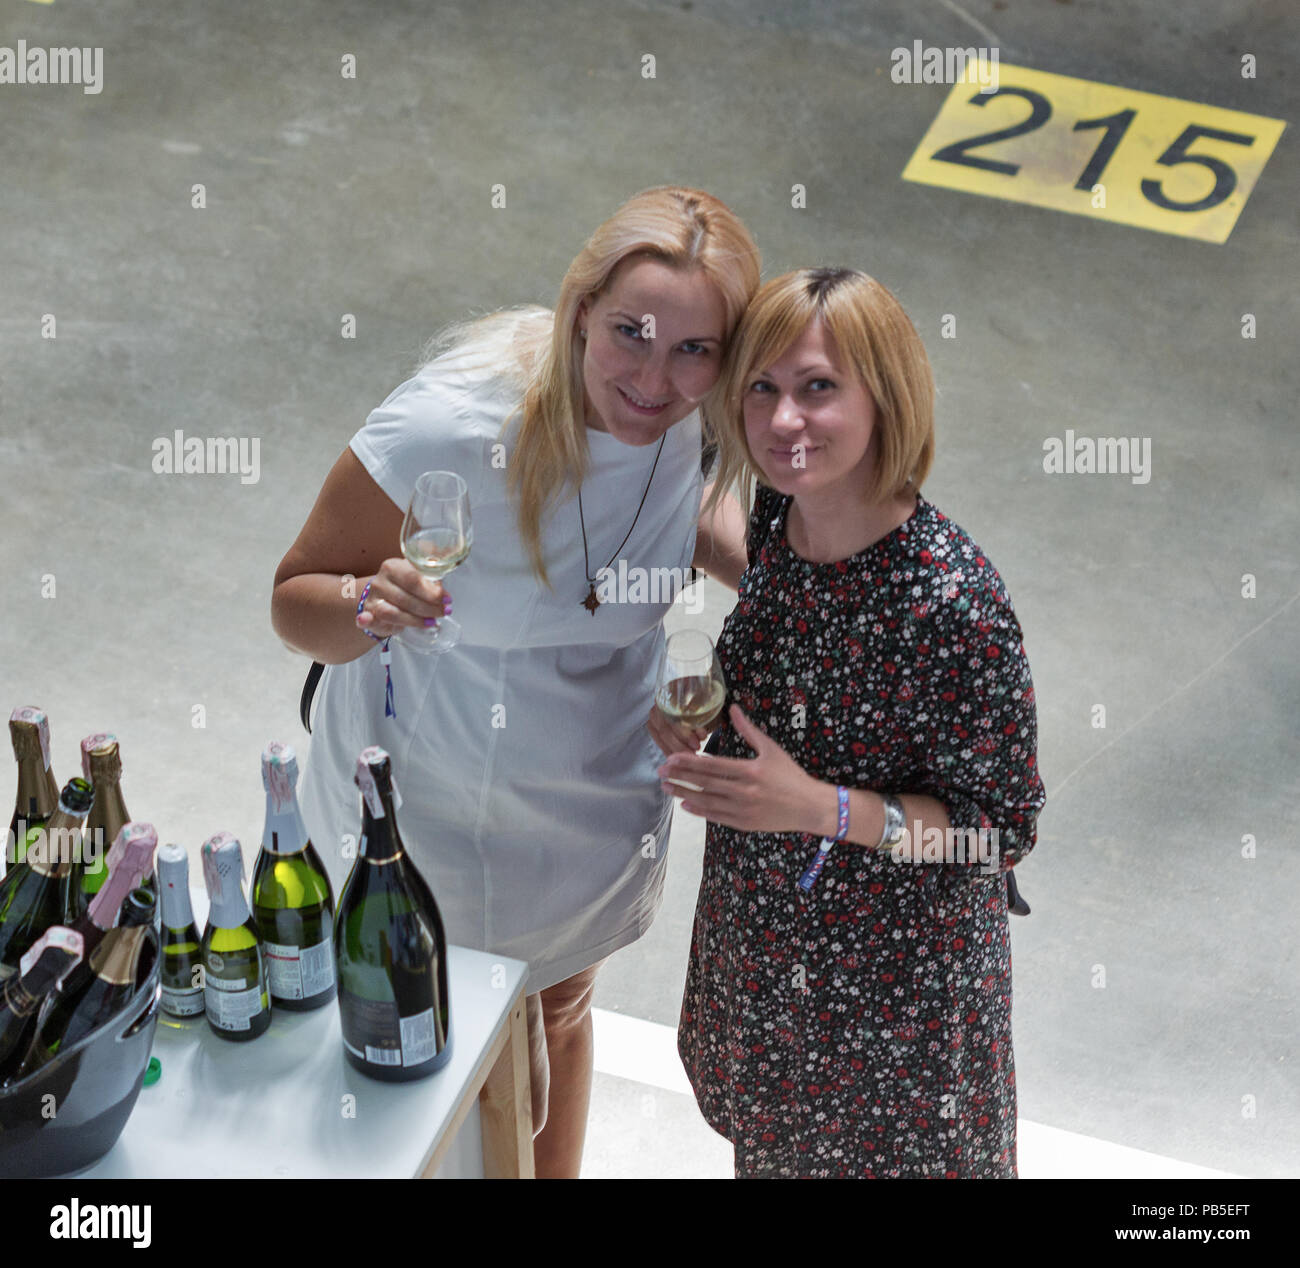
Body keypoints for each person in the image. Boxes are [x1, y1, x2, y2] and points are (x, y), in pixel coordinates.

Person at [270, 186, 759, 1178]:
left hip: (590, 807)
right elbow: (293, 600)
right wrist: (371, 602)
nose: (655, 378)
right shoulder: (447, 428)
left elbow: (686, 501)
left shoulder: (693, 418)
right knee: (428, 1055)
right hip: (434, 813)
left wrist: (779, 577)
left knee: (563, 1009)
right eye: (630, 333)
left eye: (693, 351)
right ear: (580, 309)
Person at [651, 266, 1047, 1178]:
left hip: (896, 1018)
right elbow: (791, 665)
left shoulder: (953, 604)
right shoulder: (781, 514)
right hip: (773, 965)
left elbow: (996, 836)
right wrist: (699, 713)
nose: (785, 420)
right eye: (763, 387)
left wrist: (823, 808)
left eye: (819, 388)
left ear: (885, 399)